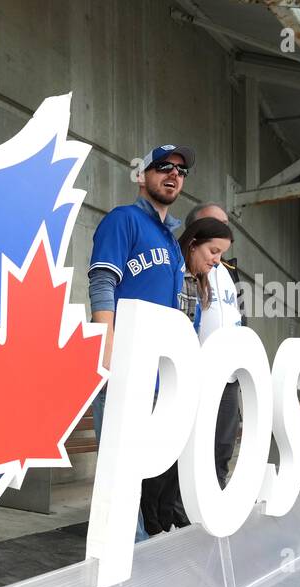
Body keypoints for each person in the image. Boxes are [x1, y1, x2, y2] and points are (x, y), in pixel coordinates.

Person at [88, 144, 194, 540]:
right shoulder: (124, 220)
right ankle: (120, 551)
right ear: (142, 175)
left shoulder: (170, 240)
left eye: (181, 171)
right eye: (163, 167)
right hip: (123, 363)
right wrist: (106, 350)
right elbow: (102, 281)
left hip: (156, 371)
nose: (173, 175)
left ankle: (134, 546)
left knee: (138, 468)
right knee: (118, 466)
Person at [182, 203, 244, 488]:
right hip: (196, 373)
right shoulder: (185, 264)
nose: (224, 228)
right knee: (193, 443)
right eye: (216, 223)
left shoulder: (230, 270)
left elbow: (239, 315)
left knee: (223, 444)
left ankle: (217, 495)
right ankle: (183, 510)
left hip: (228, 376)